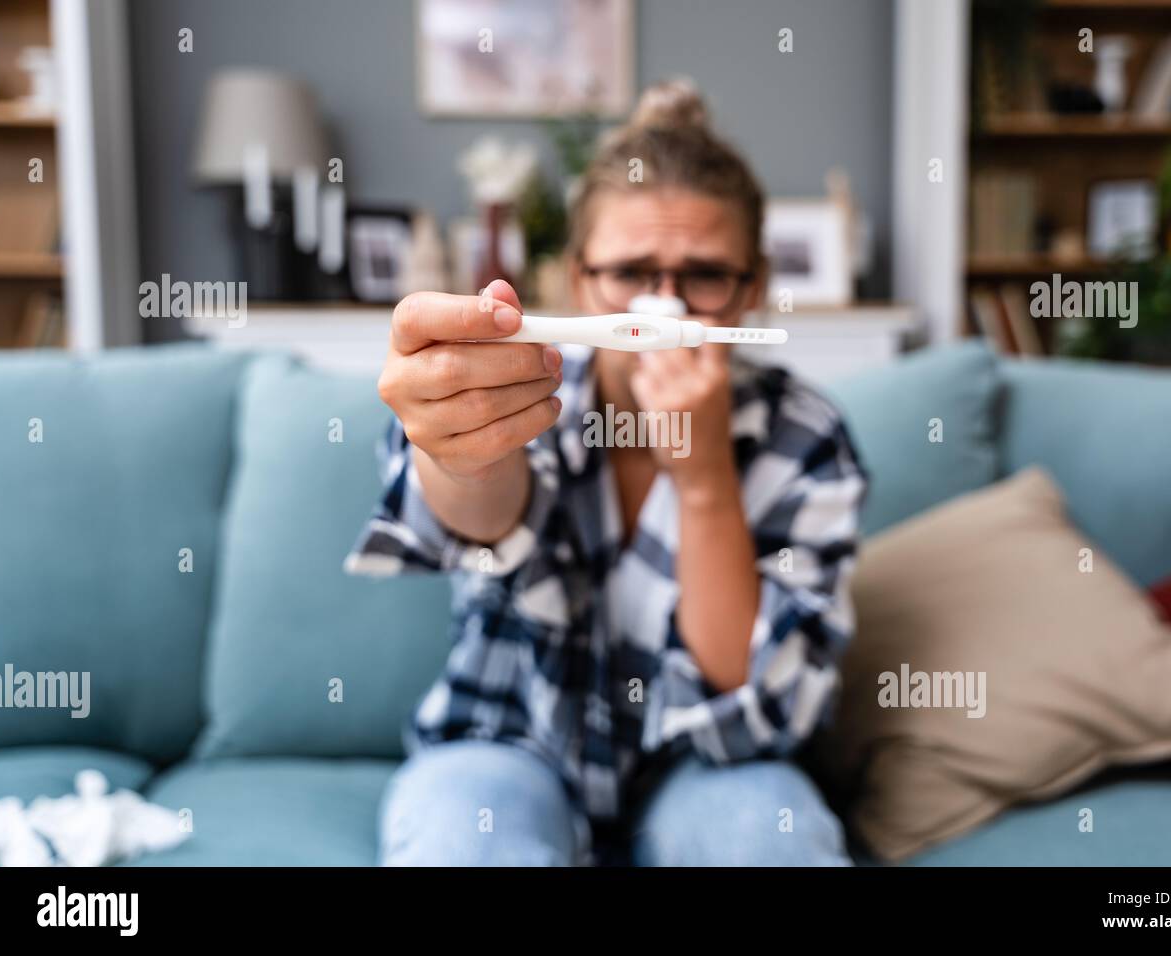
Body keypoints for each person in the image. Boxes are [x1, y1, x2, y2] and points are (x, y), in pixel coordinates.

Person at [348, 79, 866, 866]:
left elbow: (749, 694)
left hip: (706, 764)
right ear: (581, 281)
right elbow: (481, 519)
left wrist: (705, 480)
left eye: (703, 276)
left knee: (770, 837)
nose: (665, 306)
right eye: (631, 273)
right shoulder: (528, 390)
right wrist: (458, 444)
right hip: (507, 739)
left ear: (753, 287)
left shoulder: (808, 438)